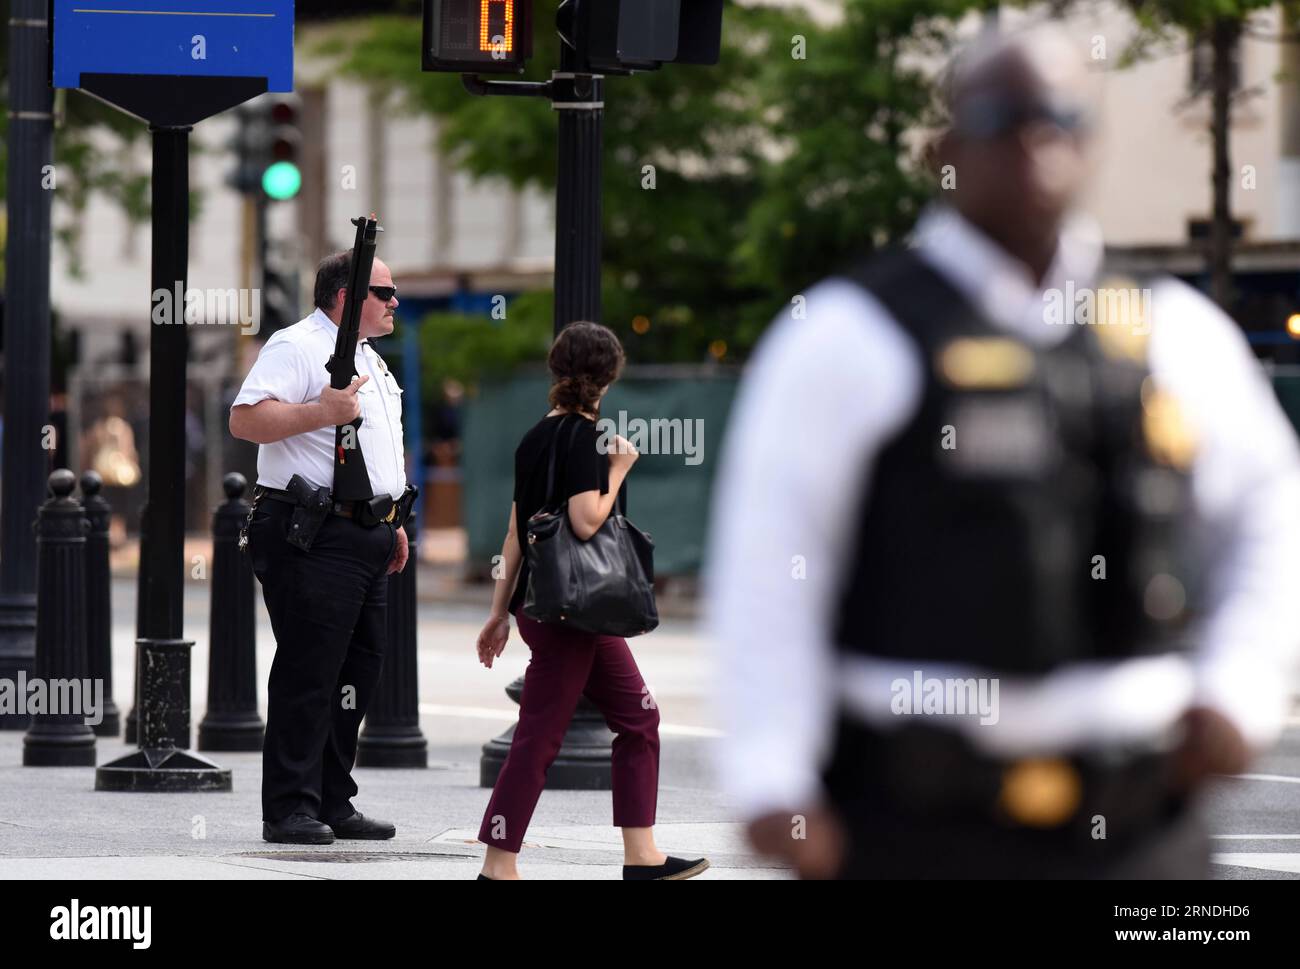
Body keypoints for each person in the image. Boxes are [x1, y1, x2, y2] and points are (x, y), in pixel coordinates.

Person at [706, 25, 1300, 879]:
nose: (1036, 143)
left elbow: (1268, 510)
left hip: (1143, 829)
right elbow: (772, 566)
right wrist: (771, 778)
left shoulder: (1173, 330)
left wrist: (1240, 688)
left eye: (1061, 117)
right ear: (944, 147)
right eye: (1003, 117)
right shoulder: (851, 332)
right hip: (914, 825)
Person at [474, 321, 708, 880]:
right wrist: (620, 467)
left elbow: (513, 536)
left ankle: (642, 854)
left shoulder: (533, 438)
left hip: (561, 609)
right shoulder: (586, 438)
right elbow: (584, 522)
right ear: (607, 377)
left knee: (638, 718)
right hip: (571, 613)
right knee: (539, 737)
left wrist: (499, 611)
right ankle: (497, 864)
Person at [229, 250, 415, 845]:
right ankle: (289, 808)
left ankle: (333, 799)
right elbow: (246, 421)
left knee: (358, 670)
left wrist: (390, 517)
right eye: (383, 292)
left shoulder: (370, 360)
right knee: (310, 671)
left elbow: (375, 450)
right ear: (346, 295)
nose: (393, 302)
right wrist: (319, 412)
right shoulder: (298, 346)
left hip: (366, 530)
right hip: (311, 531)